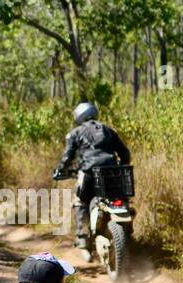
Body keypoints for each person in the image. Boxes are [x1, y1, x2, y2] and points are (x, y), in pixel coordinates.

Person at [52, 102, 131, 251]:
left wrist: (61, 170)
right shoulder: (108, 130)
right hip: (112, 173)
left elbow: (67, 156)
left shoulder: (75, 132)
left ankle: (82, 238)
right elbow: (124, 153)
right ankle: (128, 238)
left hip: (88, 173)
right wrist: (120, 166)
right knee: (121, 200)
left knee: (80, 201)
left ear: (79, 116)